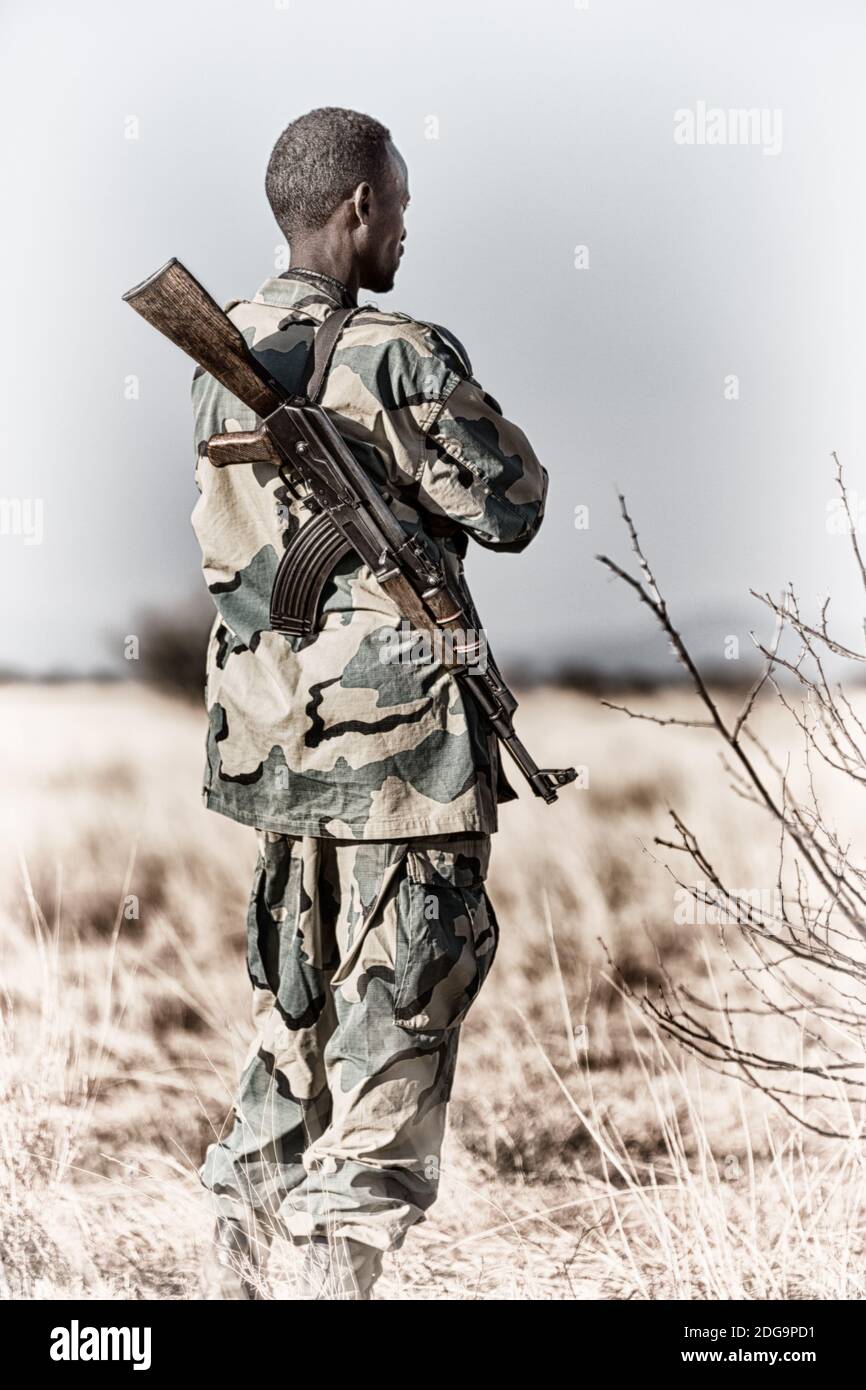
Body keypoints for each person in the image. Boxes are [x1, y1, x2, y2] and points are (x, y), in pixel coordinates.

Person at [192, 106, 548, 1300]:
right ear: (355, 209)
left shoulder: (220, 351)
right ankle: (332, 1279)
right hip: (399, 762)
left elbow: (239, 555)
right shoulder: (397, 352)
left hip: (278, 743)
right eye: (394, 201)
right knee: (397, 1023)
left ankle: (233, 1262)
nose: (403, 223)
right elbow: (511, 505)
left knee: (286, 1018)